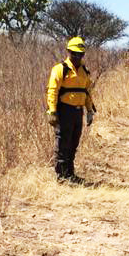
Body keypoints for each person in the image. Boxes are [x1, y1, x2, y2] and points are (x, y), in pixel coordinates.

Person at [45, 36, 96, 182]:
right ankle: (61, 176)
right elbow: (53, 91)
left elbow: (87, 92)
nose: (77, 56)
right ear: (68, 52)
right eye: (74, 53)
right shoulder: (60, 69)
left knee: (74, 143)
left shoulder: (84, 71)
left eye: (80, 54)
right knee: (63, 143)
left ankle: (70, 174)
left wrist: (89, 111)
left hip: (78, 112)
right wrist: (52, 111)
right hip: (64, 111)